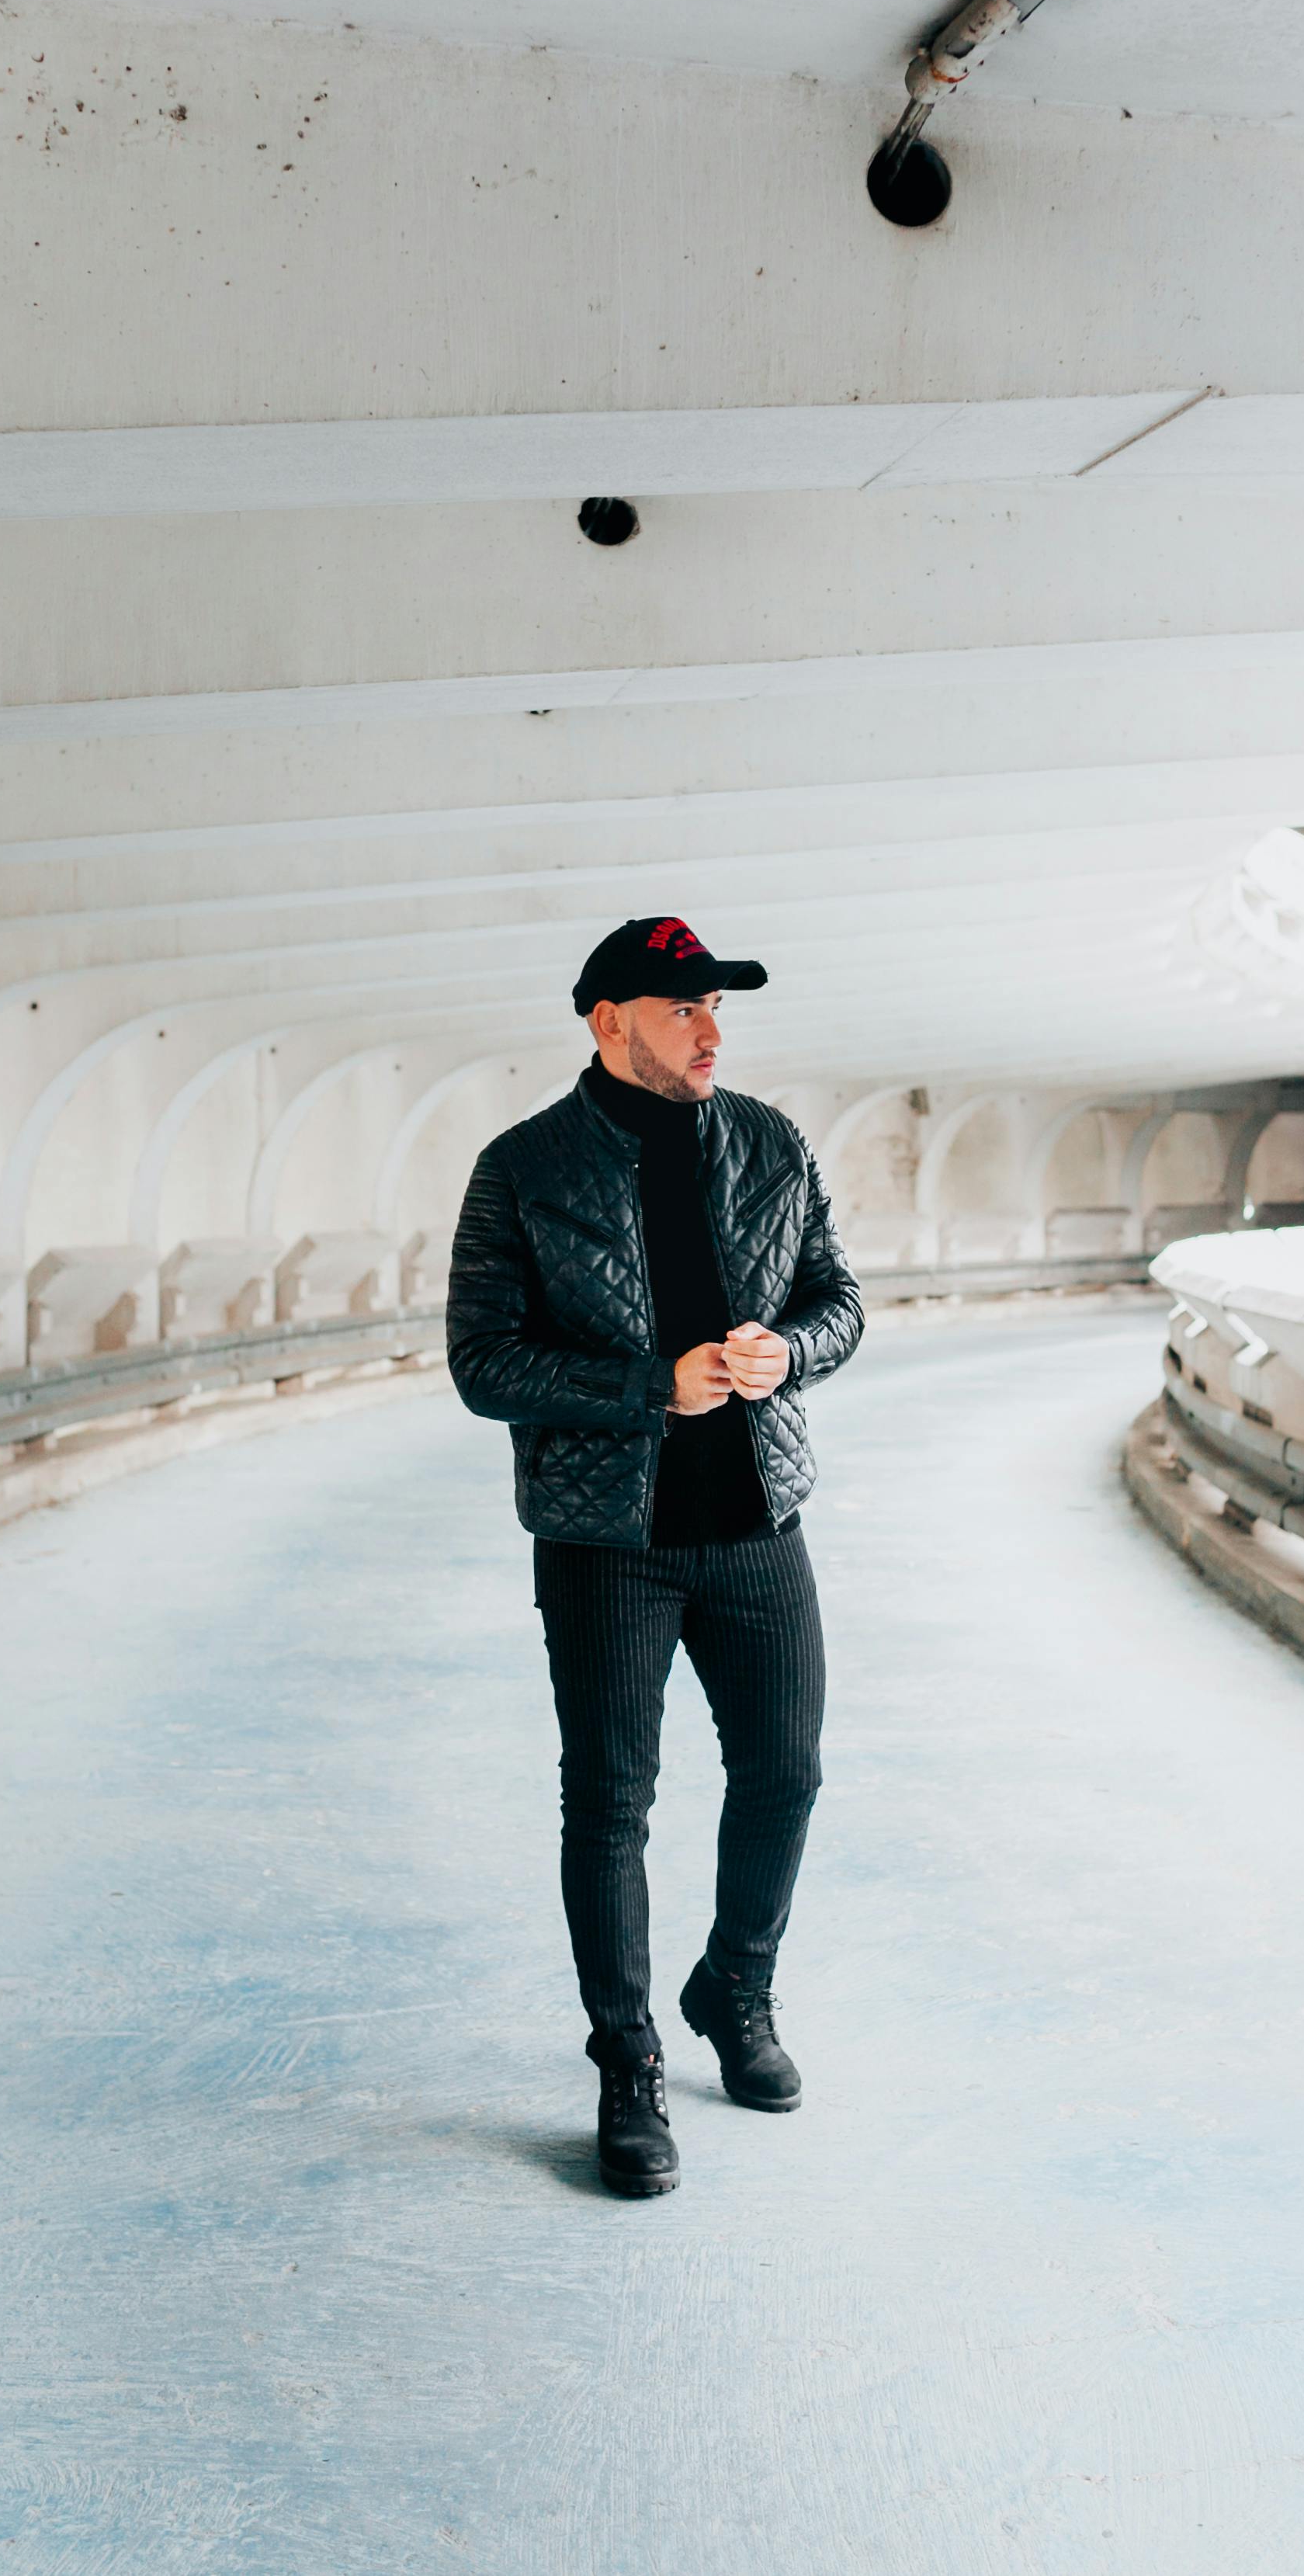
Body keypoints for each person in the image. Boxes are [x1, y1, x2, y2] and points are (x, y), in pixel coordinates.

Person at [446, 915, 863, 2196]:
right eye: (680, 1007)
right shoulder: (521, 1169)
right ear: (606, 1019)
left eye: (714, 1007)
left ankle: (733, 1990)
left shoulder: (770, 1144)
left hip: (758, 1527)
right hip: (605, 1543)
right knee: (610, 1803)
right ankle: (625, 2066)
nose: (709, 1030)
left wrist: (789, 1353)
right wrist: (648, 1383)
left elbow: (838, 1302)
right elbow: (482, 1364)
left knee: (784, 1774)